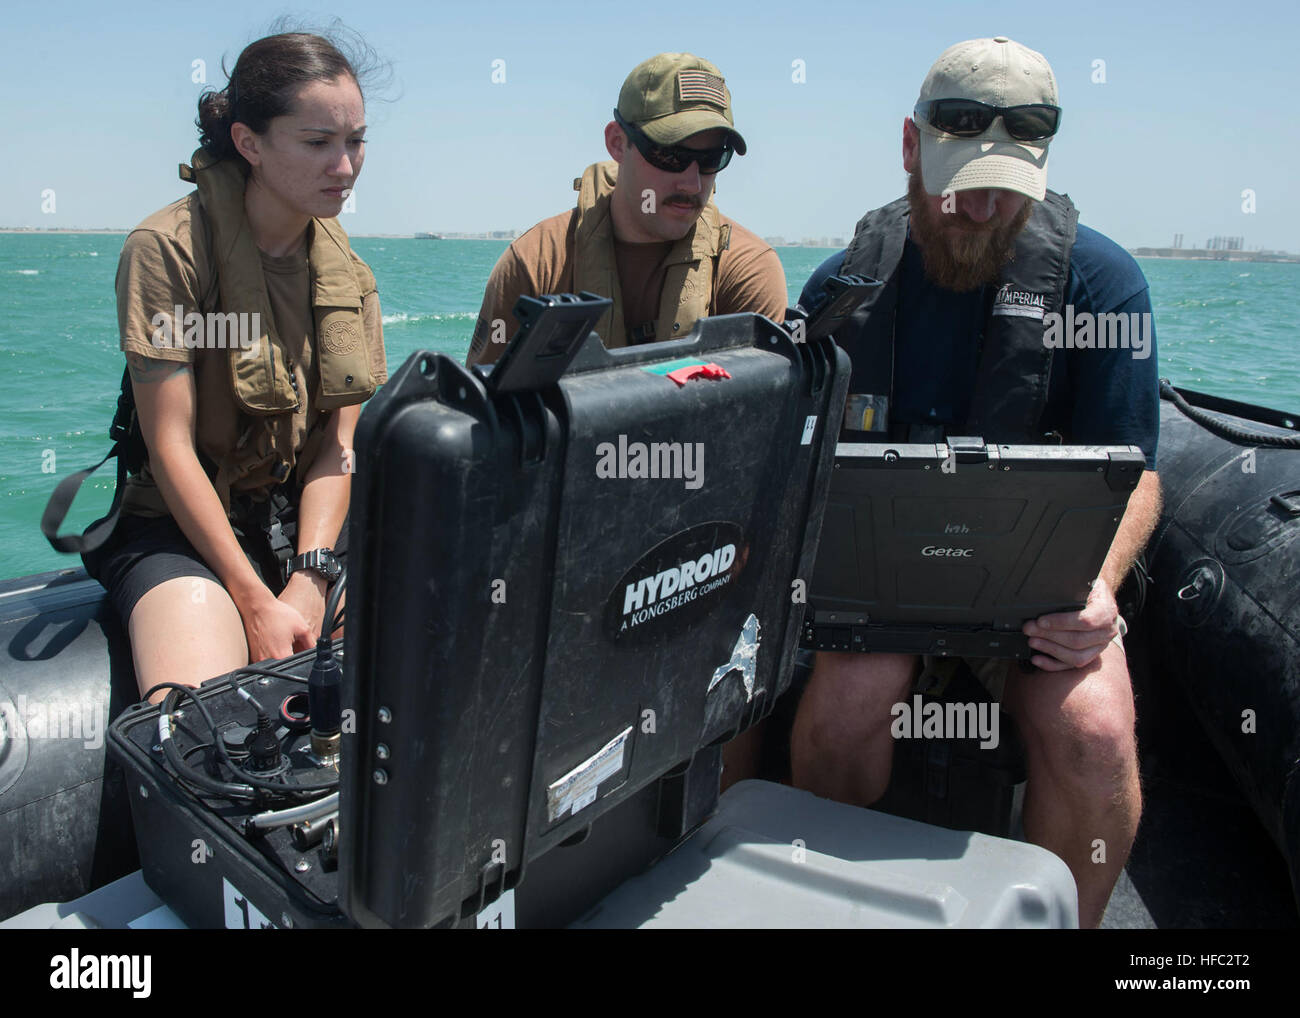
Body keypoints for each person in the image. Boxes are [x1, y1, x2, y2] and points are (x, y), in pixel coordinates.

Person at [790, 37, 1162, 928]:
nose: (983, 207)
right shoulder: (841, 291)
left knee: (1097, 731)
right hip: (887, 587)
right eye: (962, 183)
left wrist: (1100, 591)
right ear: (911, 149)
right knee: (846, 700)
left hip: (1043, 593)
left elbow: (1138, 472)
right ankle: (830, 907)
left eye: (1007, 188)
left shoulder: (1104, 285)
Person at [83, 31, 388, 700]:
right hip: (178, 524)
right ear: (249, 143)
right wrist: (254, 600)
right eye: (318, 143)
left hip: (295, 521)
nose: (345, 166)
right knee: (198, 724)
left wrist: (310, 577)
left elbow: (338, 448)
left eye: (356, 141)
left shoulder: (351, 278)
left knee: (402, 669)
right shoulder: (167, 252)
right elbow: (168, 447)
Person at [466, 52, 787, 366]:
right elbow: (482, 412)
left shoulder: (746, 271)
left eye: (711, 159)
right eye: (671, 156)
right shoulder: (536, 265)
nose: (691, 183)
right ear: (618, 143)